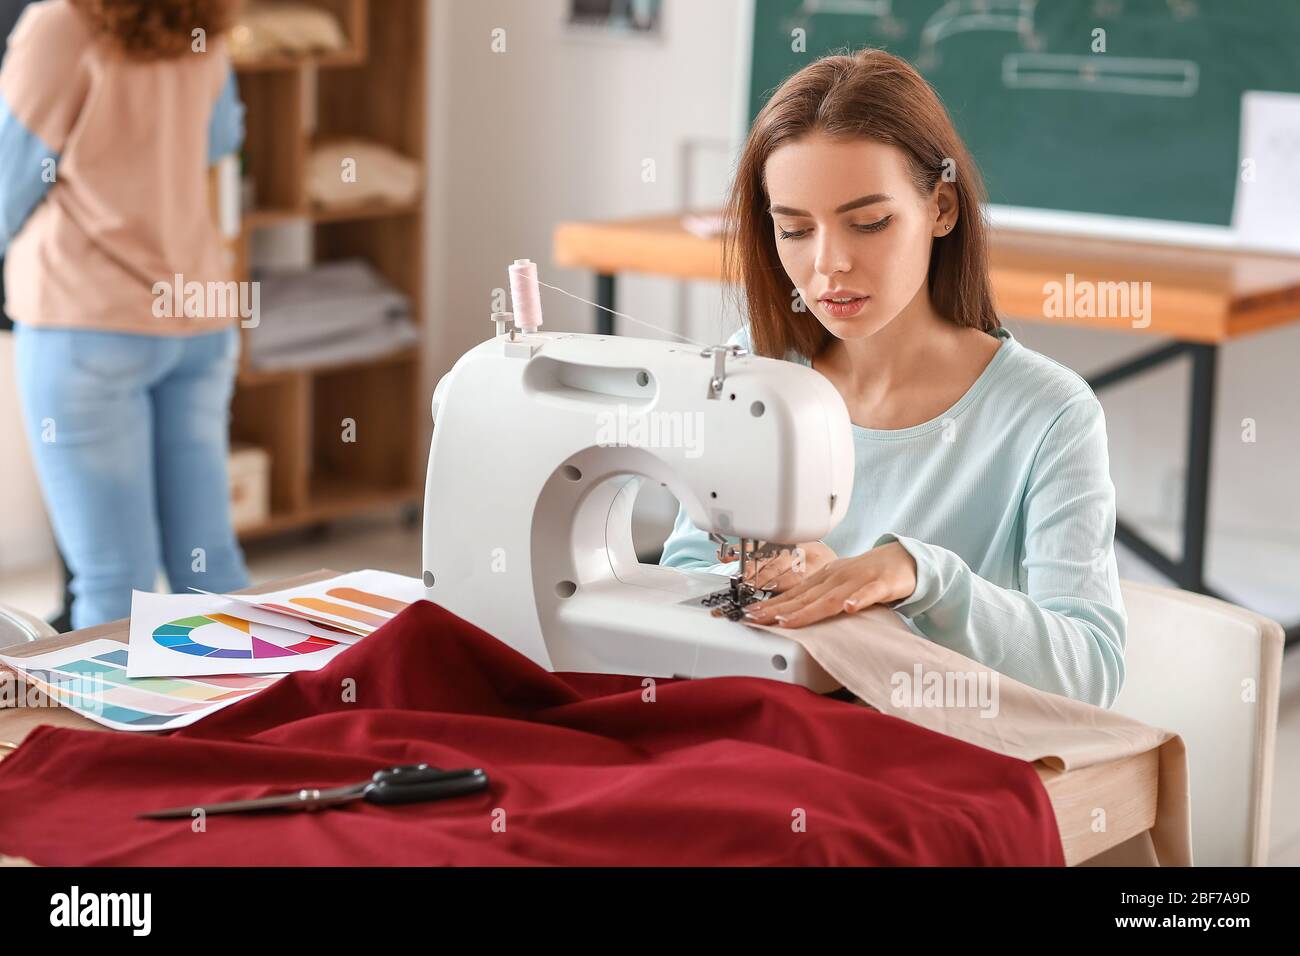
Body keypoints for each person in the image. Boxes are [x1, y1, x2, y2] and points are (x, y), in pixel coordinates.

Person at [659, 48, 1126, 708]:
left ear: (940, 208)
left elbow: (1091, 675)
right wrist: (757, 572)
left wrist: (919, 576)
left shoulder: (1048, 415)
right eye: (794, 229)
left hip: (929, 759)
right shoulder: (754, 370)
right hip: (768, 730)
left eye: (869, 223)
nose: (829, 265)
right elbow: (685, 574)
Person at [1, 0, 251, 629]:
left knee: (116, 584)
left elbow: (9, 179)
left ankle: (107, 732)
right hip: (197, 313)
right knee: (210, 572)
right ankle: (250, 724)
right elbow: (221, 140)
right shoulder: (207, 24)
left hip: (86, 319)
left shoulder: (59, 24)